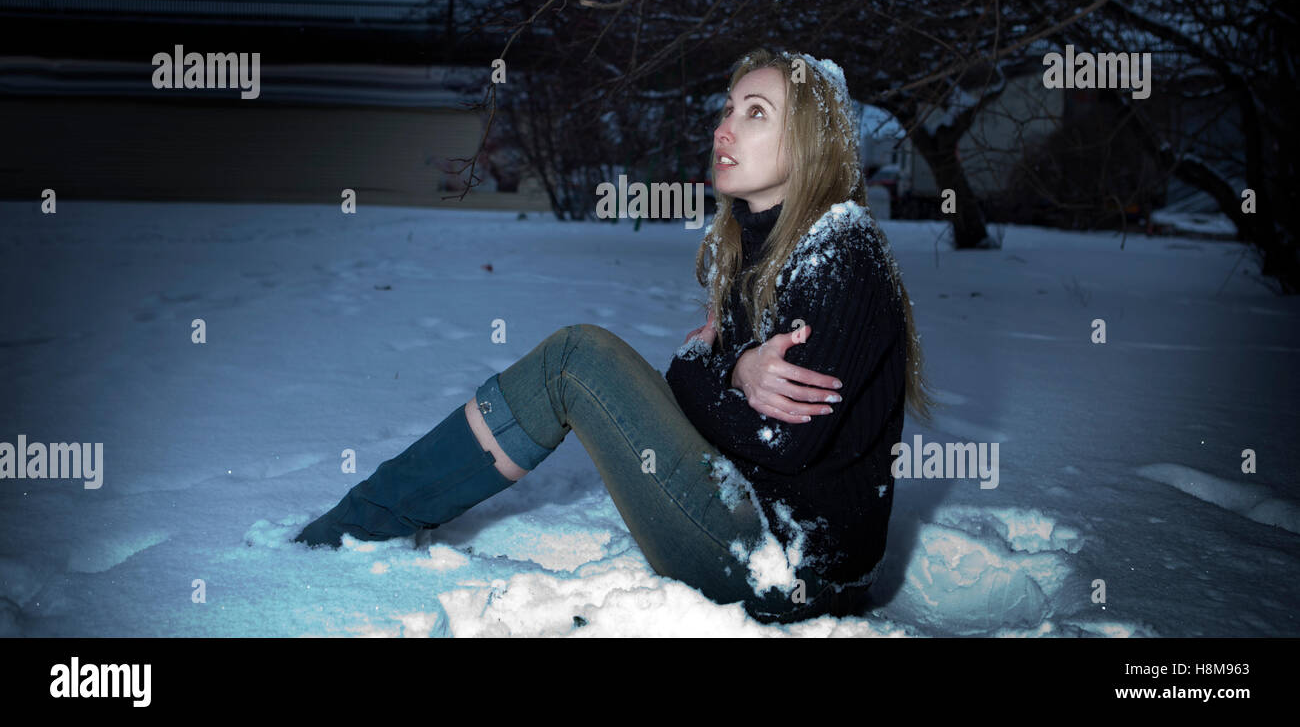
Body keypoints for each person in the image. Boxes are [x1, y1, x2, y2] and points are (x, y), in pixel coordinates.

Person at [294, 47, 940, 625]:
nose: (724, 127)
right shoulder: (759, 247)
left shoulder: (841, 254)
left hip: (789, 573)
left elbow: (777, 439)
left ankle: (357, 526)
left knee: (575, 361)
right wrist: (731, 372)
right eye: (727, 107)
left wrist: (706, 367)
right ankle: (367, 519)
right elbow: (718, 398)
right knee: (575, 361)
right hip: (752, 526)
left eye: (756, 113)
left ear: (809, 142)